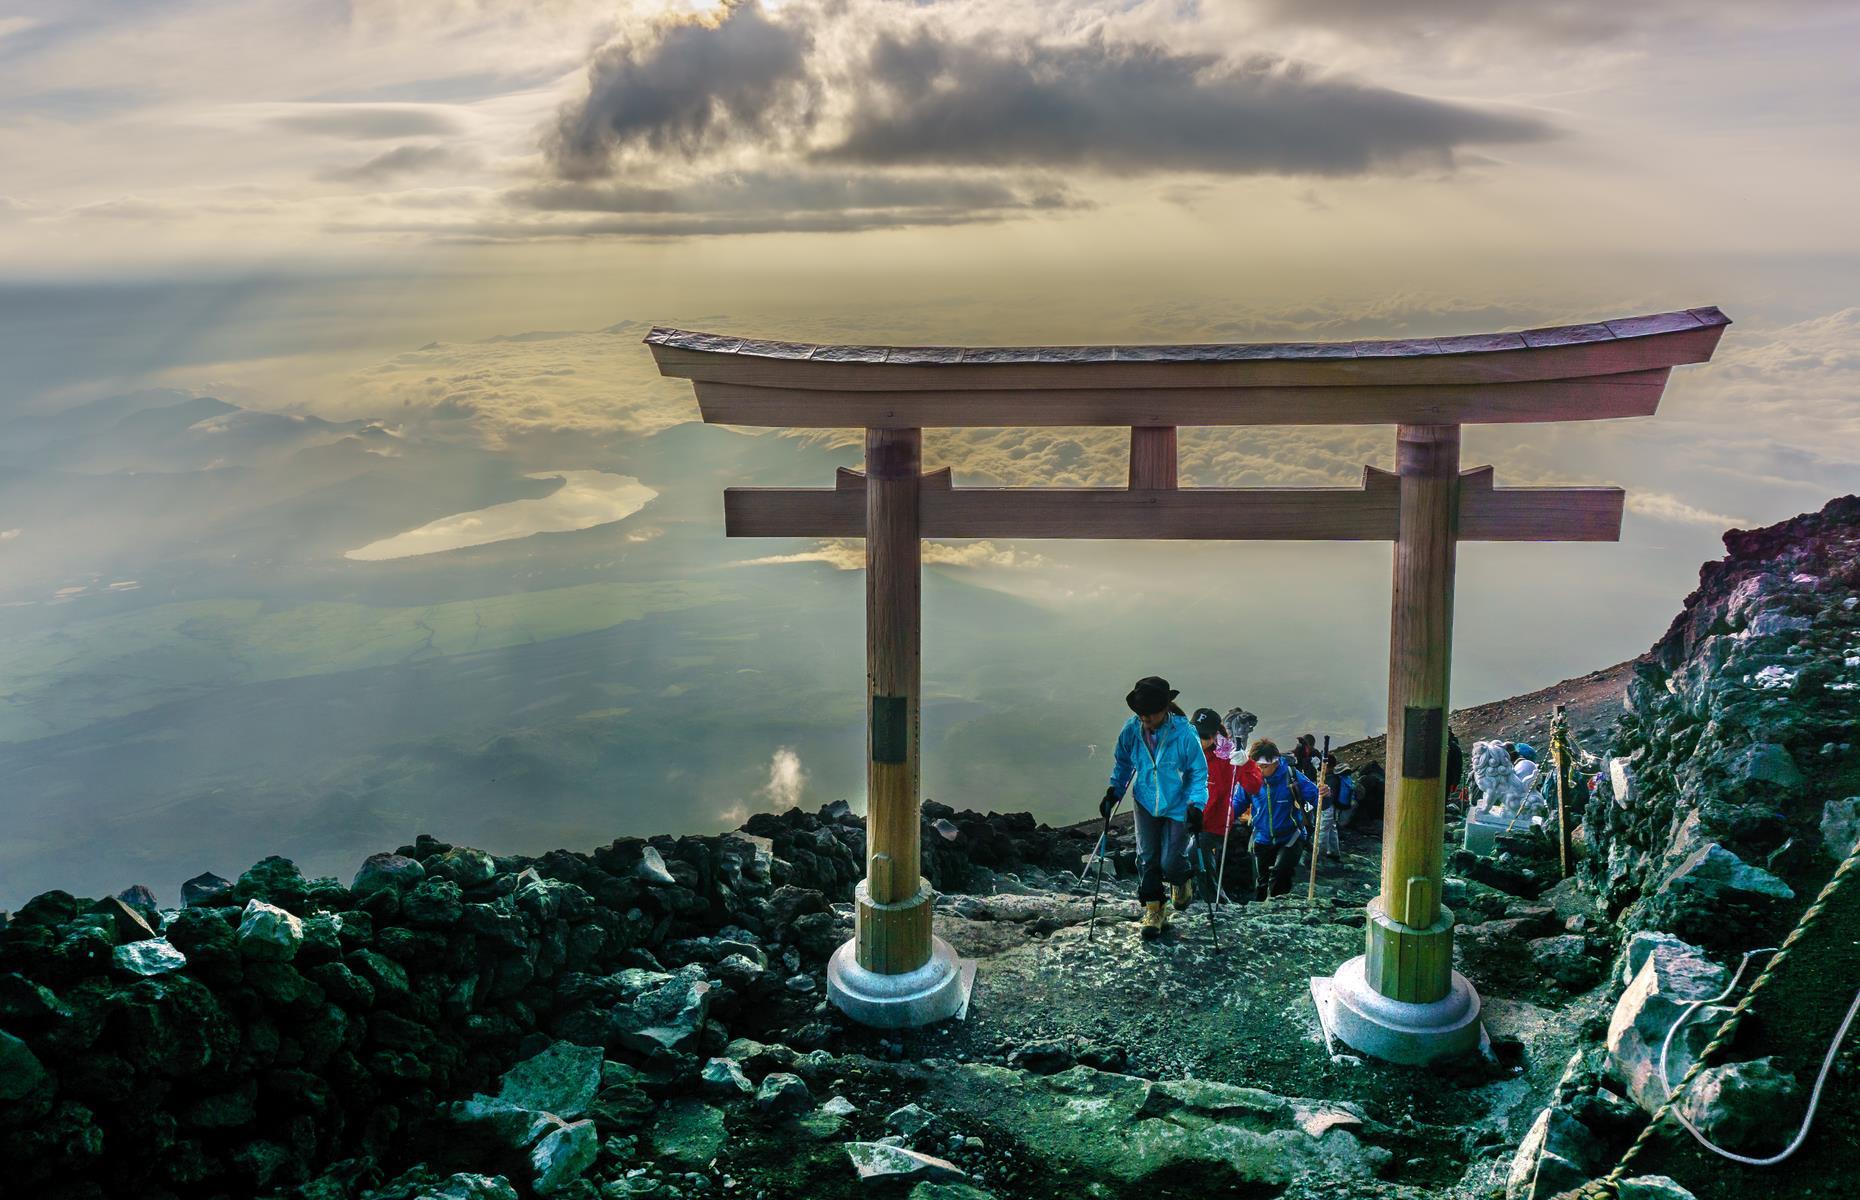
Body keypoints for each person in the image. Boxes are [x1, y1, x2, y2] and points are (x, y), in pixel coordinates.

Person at [1102, 676, 1209, 939]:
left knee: (1171, 862)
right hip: (1145, 801)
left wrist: (1196, 805)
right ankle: (1154, 910)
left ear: (1164, 710)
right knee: (1147, 858)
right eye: (1140, 715)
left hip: (1177, 804)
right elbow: (1123, 763)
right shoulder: (1132, 731)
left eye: (1149, 715)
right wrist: (1114, 791)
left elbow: (1198, 772)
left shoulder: (1184, 734)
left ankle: (1181, 879)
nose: (1144, 720)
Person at [1243, 738, 1319, 899]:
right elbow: (1237, 802)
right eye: (1257, 766)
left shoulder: (1291, 776)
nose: (1260, 770)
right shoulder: (1251, 778)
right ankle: (1260, 912)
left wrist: (1324, 795)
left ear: (1276, 762)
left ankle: (1276, 908)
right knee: (1262, 881)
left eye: (1264, 766)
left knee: (1280, 875)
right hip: (1262, 837)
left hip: (1290, 836)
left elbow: (1317, 799)